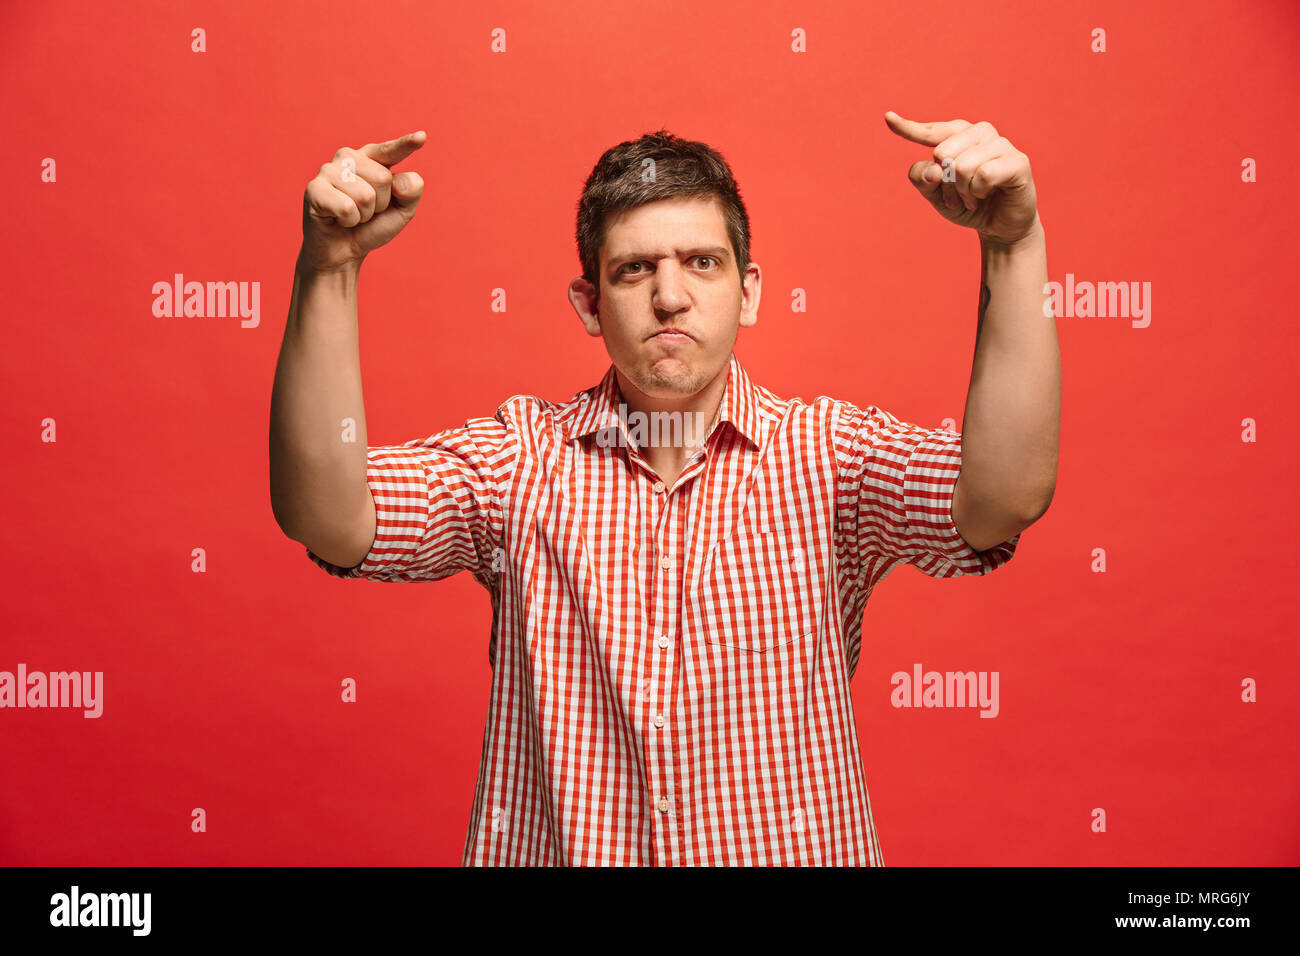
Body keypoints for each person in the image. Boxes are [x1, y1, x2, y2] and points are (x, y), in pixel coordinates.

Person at [269, 116, 1060, 866]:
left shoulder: (830, 458)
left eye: (702, 262)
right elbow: (331, 518)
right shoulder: (519, 461)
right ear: (589, 304)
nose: (670, 295)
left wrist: (1012, 245)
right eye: (635, 269)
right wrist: (329, 267)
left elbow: (1002, 498)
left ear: (749, 292)